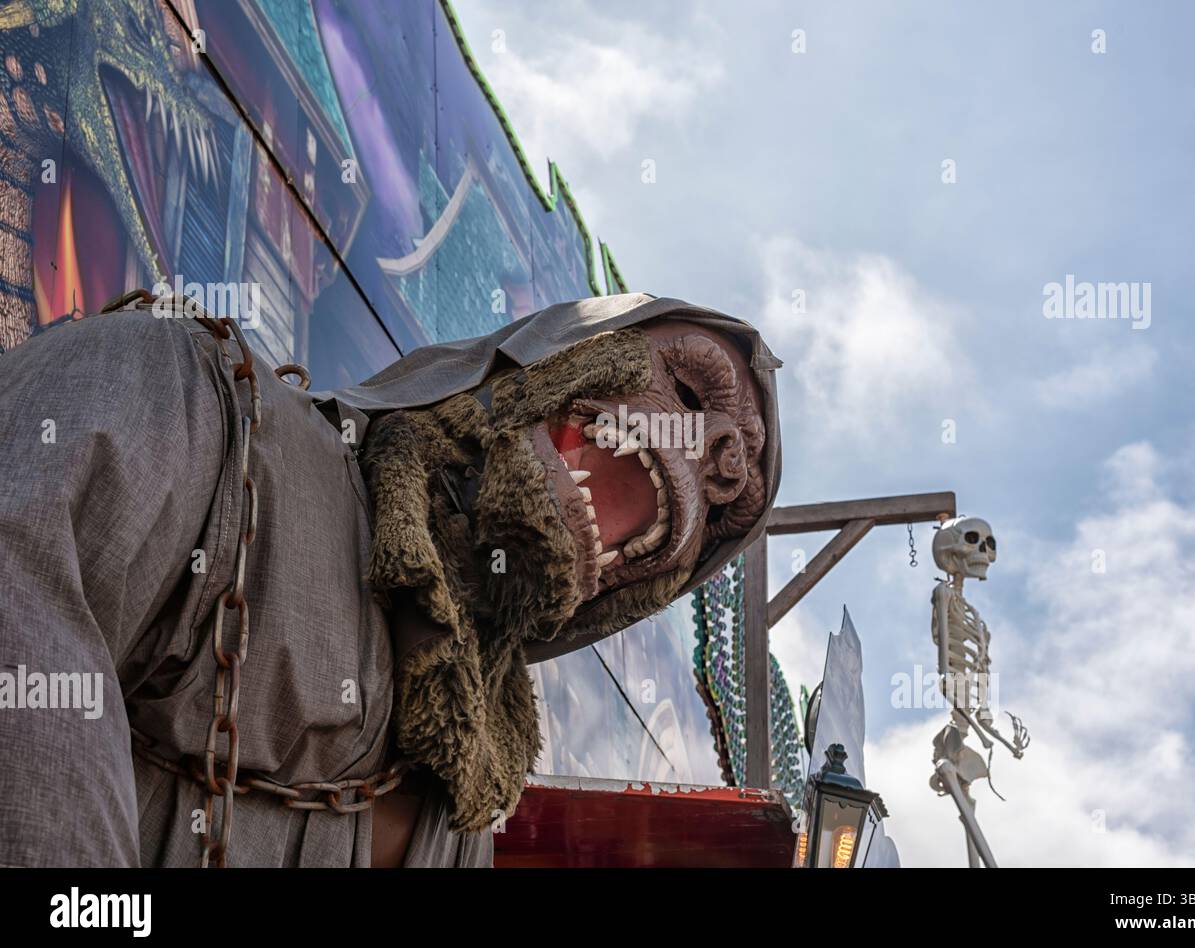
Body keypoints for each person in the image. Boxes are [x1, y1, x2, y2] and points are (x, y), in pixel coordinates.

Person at [0, 291, 781, 867]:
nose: (720, 454)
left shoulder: (472, 800)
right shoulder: (190, 399)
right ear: (546, 359)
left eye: (727, 496)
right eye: (689, 387)